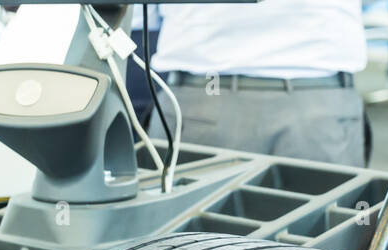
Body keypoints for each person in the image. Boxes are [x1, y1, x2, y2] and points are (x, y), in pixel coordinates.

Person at [152, 0, 369, 166]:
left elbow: (138, 17)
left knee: (182, 220)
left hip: (200, 97)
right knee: (328, 221)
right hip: (319, 99)